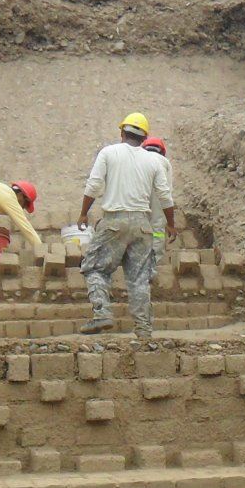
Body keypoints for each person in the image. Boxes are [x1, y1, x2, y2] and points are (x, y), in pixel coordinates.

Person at [77, 113, 174, 337]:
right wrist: (171, 224)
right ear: (144, 138)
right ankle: (143, 329)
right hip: (142, 225)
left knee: (94, 268)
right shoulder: (154, 161)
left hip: (114, 221)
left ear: (122, 132)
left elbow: (93, 185)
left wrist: (83, 213)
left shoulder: (109, 152)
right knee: (139, 278)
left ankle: (102, 314)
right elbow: (165, 196)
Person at [141, 136, 173, 267]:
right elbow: (167, 190)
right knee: (158, 227)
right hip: (159, 196)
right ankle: (153, 264)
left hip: (140, 193)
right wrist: (171, 223)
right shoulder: (165, 162)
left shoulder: (139, 158)